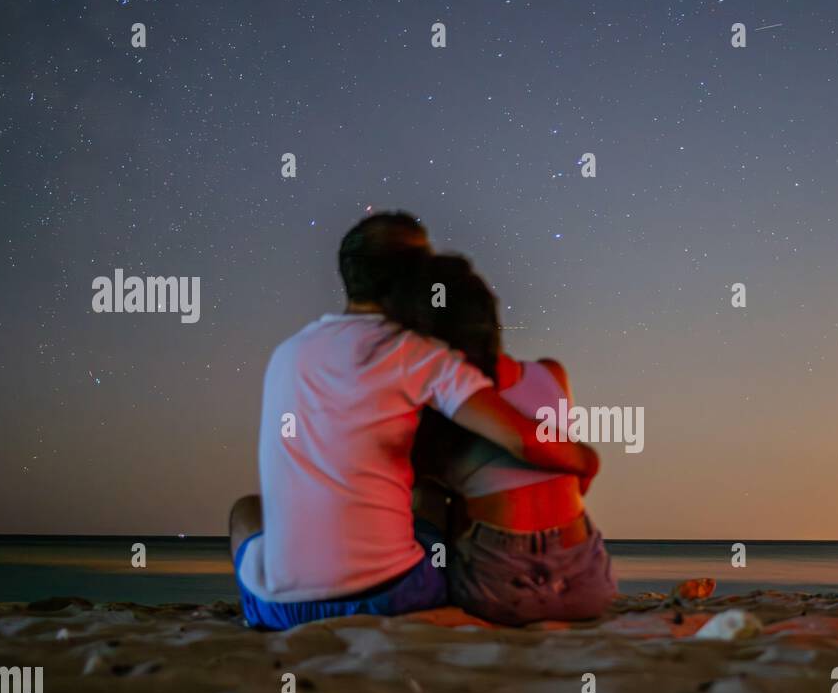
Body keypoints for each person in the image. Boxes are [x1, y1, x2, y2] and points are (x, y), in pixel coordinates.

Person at [228, 213, 598, 630]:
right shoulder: (418, 354)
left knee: (246, 511)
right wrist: (584, 459)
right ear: (416, 275)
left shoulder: (287, 354)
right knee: (427, 495)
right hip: (395, 596)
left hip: (280, 609)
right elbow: (521, 439)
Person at [408, 254, 616, 625]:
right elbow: (568, 479)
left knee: (428, 493)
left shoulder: (438, 397)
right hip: (587, 586)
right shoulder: (551, 373)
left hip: (499, 591)